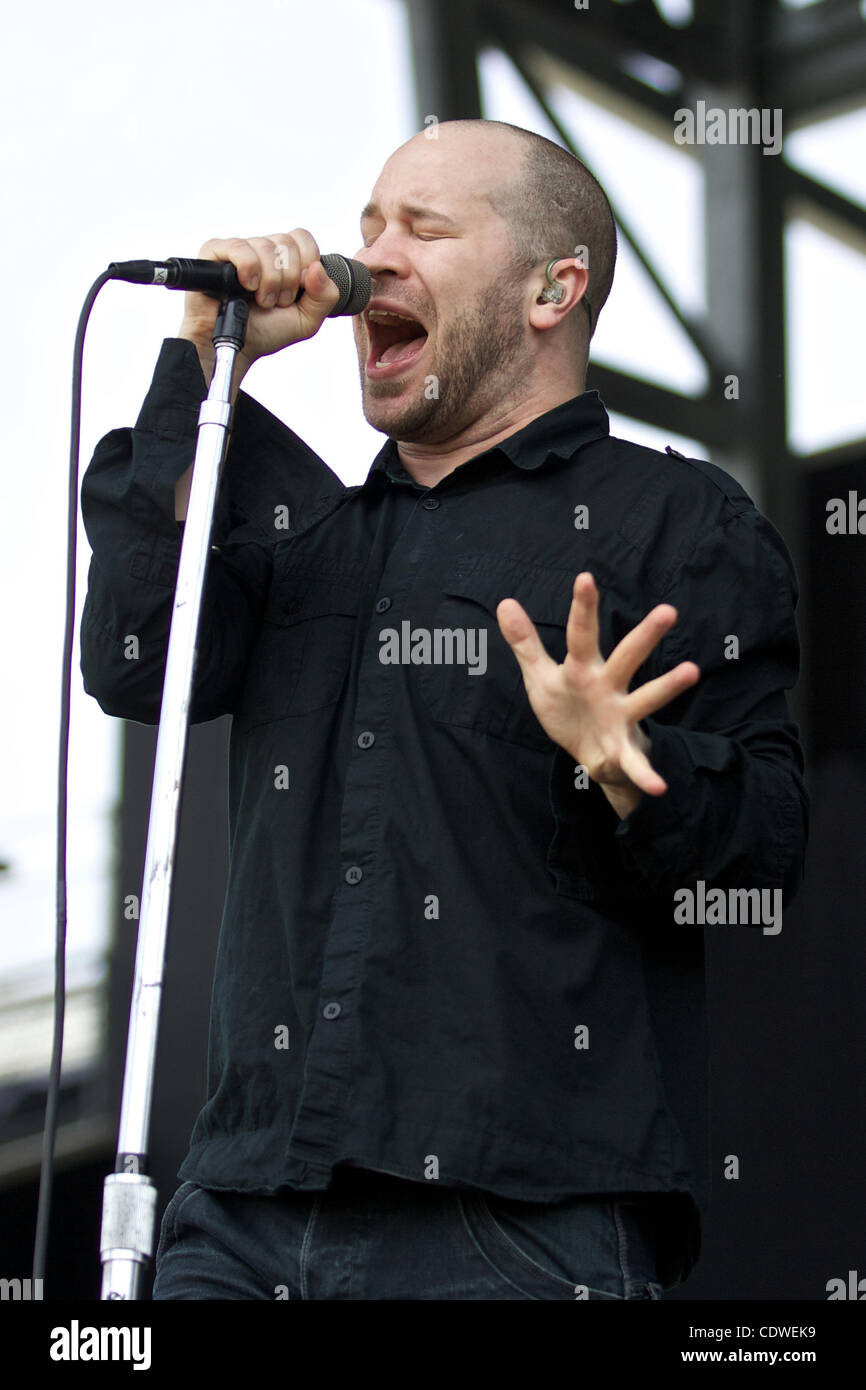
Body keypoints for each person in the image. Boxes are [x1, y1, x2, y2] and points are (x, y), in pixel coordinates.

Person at [79, 118, 808, 1300]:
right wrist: (204, 362)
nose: (373, 253)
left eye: (423, 227)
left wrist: (630, 764)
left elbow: (768, 854)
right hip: (244, 1210)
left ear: (550, 289)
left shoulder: (670, 520)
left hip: (515, 1223)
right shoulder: (297, 531)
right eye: (368, 224)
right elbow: (133, 660)